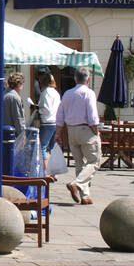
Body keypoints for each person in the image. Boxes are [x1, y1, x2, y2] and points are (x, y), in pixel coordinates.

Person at [55, 67, 101, 205]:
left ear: (75, 79)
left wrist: (58, 133)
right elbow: (92, 115)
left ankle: (85, 196)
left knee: (79, 163)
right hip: (85, 129)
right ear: (88, 79)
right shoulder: (89, 93)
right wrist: (96, 131)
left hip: (71, 130)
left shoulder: (67, 94)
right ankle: (76, 183)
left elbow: (60, 115)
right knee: (94, 161)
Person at [36, 72, 61, 165]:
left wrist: (38, 109)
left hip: (47, 122)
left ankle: (46, 171)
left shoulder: (45, 92)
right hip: (55, 122)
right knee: (52, 148)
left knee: (42, 147)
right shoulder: (56, 93)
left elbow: (47, 109)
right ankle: (55, 171)